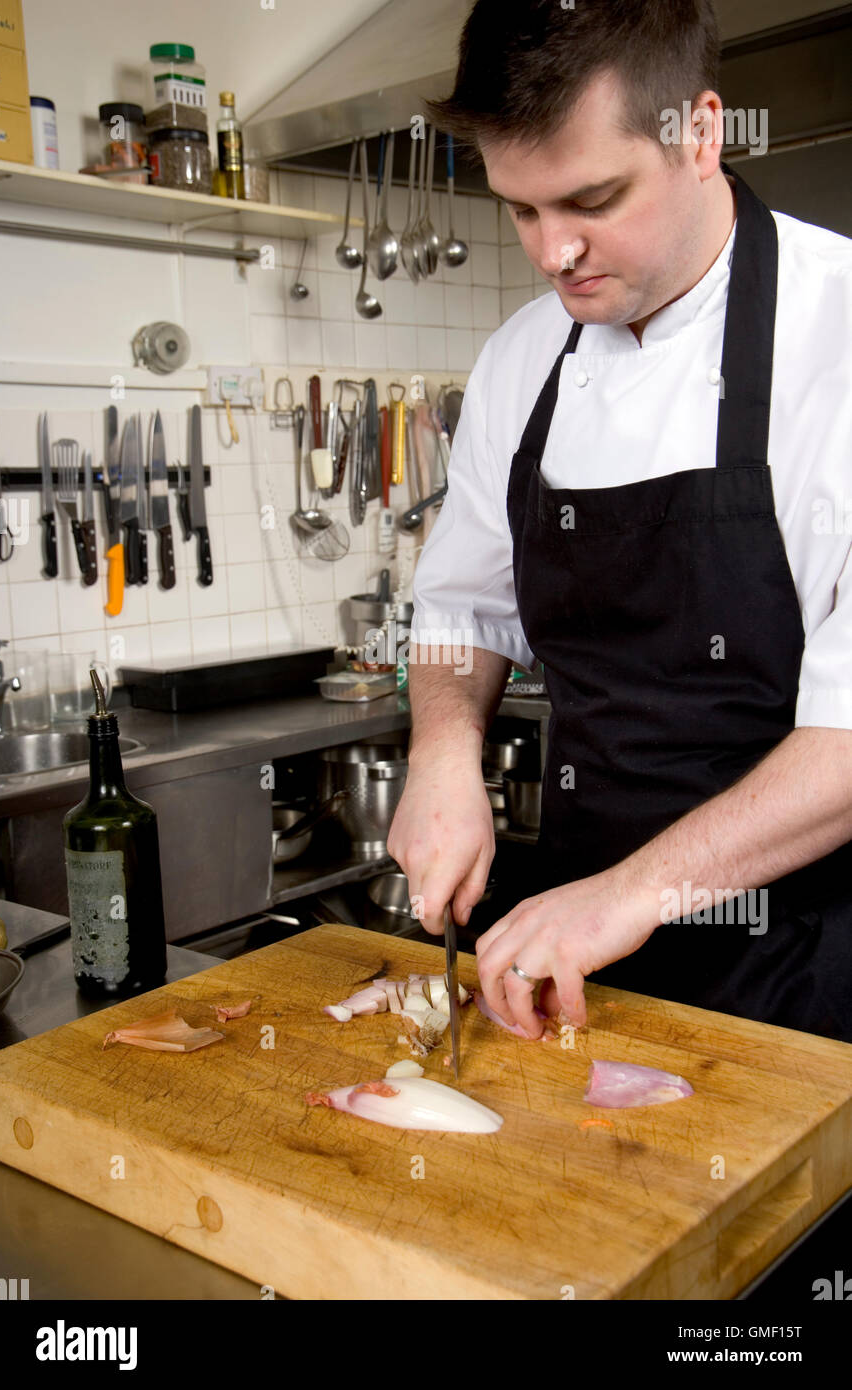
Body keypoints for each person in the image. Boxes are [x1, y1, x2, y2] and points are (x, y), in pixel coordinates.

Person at [387, 0, 852, 1044]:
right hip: (576, 959)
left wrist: (633, 894)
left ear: (698, 134)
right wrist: (442, 754)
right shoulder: (521, 358)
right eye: (519, 210)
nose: (552, 254)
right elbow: (460, 607)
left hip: (803, 975)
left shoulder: (838, 332)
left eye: (591, 199)